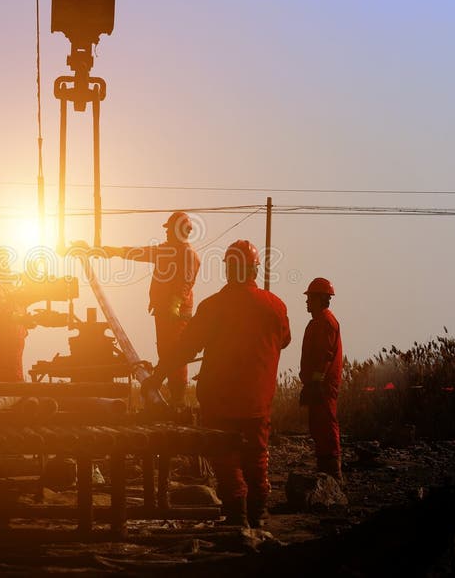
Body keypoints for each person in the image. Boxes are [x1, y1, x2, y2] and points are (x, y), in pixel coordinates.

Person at [141, 240, 291, 527]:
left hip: (220, 400)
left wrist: (156, 377)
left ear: (228, 269)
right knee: (257, 455)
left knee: (225, 457)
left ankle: (237, 517)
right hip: (258, 400)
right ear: (254, 270)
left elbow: (185, 348)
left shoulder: (213, 307)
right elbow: (284, 340)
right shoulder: (275, 306)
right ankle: (258, 514)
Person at [88, 211, 200, 406]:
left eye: (169, 229)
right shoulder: (166, 251)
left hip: (177, 315)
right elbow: (139, 253)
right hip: (164, 312)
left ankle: (178, 399)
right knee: (165, 352)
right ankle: (173, 396)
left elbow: (185, 281)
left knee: (175, 355)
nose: (166, 233)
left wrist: (175, 305)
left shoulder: (188, 254)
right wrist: (110, 251)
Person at [299, 277, 344, 481]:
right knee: (319, 426)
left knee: (326, 425)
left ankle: (332, 473)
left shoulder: (325, 322)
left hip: (323, 386)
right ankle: (325, 471)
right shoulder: (319, 322)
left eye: (310, 298)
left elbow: (325, 356)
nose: (307, 302)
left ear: (320, 299)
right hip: (318, 384)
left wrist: (316, 382)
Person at [0, 247, 35, 382]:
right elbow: (2, 312)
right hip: (5, 341)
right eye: (3, 262)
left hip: (14, 338)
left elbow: (19, 302)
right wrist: (22, 319)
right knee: (11, 377)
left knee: (14, 375)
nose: (7, 265)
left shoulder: (6, 286)